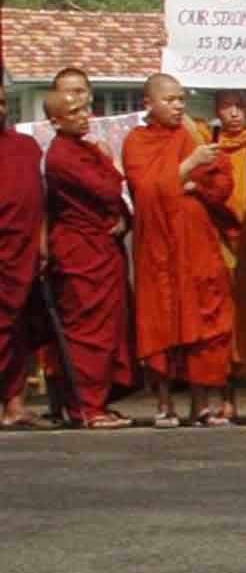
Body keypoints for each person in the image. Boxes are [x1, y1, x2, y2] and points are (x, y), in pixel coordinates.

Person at [125, 73, 239, 427]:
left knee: (203, 318)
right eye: (169, 100)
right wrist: (187, 168)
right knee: (161, 319)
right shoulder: (137, 141)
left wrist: (198, 185)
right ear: (148, 104)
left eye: (181, 100)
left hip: (195, 241)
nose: (177, 106)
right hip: (159, 245)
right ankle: (164, 405)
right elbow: (145, 190)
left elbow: (221, 182)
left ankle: (201, 404)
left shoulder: (191, 135)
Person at [41, 90, 135, 429]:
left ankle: (98, 402)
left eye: (85, 109)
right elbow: (108, 188)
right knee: (85, 331)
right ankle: (86, 407)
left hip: (101, 248)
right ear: (55, 122)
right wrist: (110, 163)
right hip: (79, 251)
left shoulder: (84, 149)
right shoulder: (61, 156)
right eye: (74, 112)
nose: (84, 116)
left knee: (108, 328)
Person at [0, 58, 44, 430]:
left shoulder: (26, 147)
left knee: (18, 332)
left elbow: (39, 198)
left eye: (2, 101)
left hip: (21, 256)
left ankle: (14, 406)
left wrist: (41, 239)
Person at [210, 90, 246, 419]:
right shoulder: (208, 142)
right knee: (224, 318)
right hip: (220, 238)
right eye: (227, 107)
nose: (235, 113)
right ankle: (227, 397)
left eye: (240, 106)